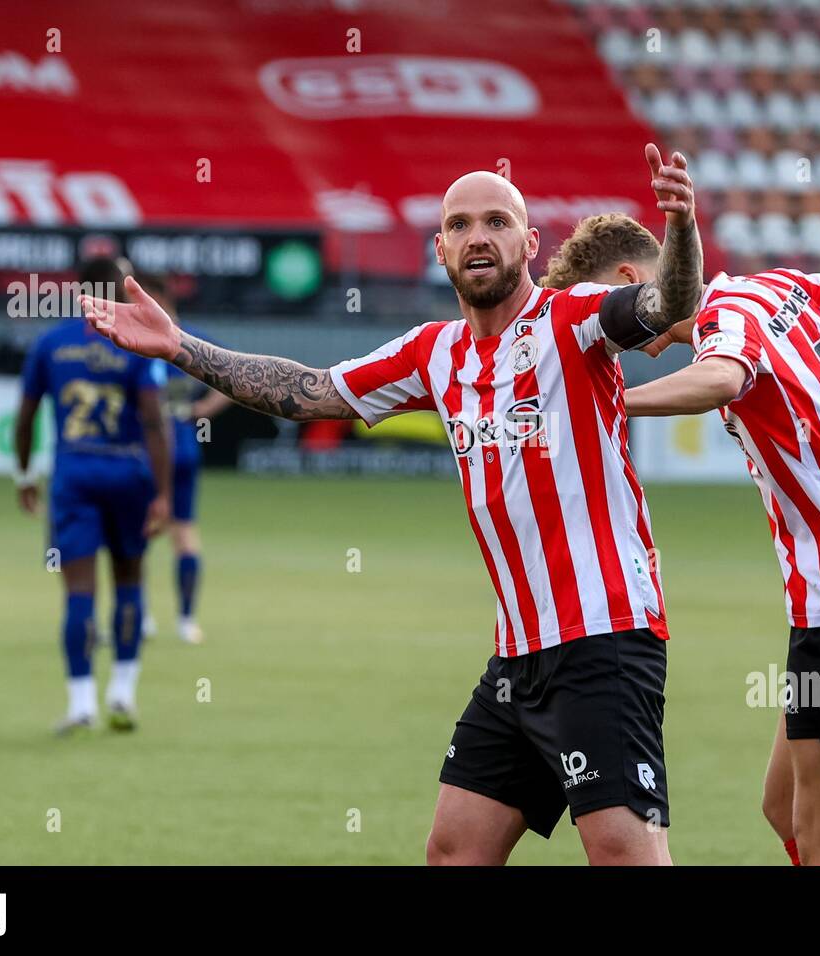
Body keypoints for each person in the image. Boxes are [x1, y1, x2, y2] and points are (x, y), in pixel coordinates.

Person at [79, 144, 702, 865]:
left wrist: (681, 226)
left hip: (604, 638)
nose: (478, 236)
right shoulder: (434, 353)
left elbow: (667, 304)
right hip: (518, 654)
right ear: (439, 247)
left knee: (625, 854)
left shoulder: (576, 320)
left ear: (529, 243)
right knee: (453, 852)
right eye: (460, 224)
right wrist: (181, 347)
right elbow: (307, 388)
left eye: (497, 222)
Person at [543, 212, 820, 867]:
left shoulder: (720, 320)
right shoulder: (776, 287)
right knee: (782, 809)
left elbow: (722, 379)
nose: (607, 343)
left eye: (605, 318)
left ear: (631, 281)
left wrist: (608, 404)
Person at [14, 257, 171, 735]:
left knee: (78, 590)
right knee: (129, 580)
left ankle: (81, 702)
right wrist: (163, 493)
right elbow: (153, 420)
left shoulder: (51, 342)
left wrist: (24, 473)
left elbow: (24, 418)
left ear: (79, 288)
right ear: (121, 289)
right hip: (128, 471)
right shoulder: (135, 345)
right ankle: (122, 693)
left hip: (74, 474)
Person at [135, 274, 232, 645]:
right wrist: (202, 408)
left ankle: (141, 617)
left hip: (148, 450)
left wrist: (202, 408)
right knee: (184, 532)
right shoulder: (192, 338)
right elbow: (231, 375)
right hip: (184, 445)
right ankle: (186, 621)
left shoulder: (142, 340)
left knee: (140, 533)